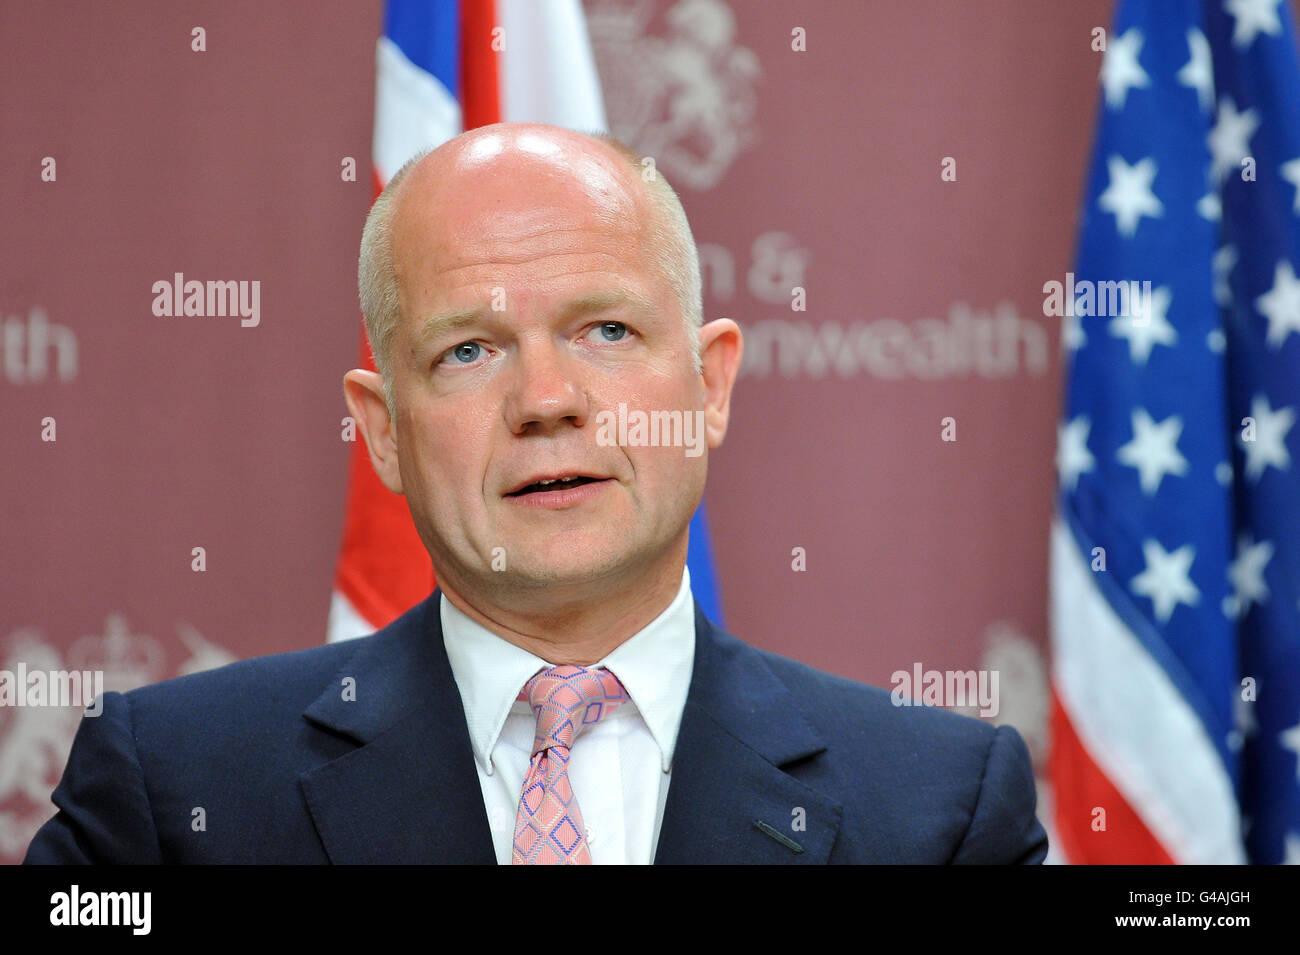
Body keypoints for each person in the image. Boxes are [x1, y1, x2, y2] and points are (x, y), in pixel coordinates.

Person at [25, 123, 1047, 864]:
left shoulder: (939, 808)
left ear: (709, 384)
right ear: (383, 430)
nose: (547, 400)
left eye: (606, 331)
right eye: (468, 350)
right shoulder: (174, 791)